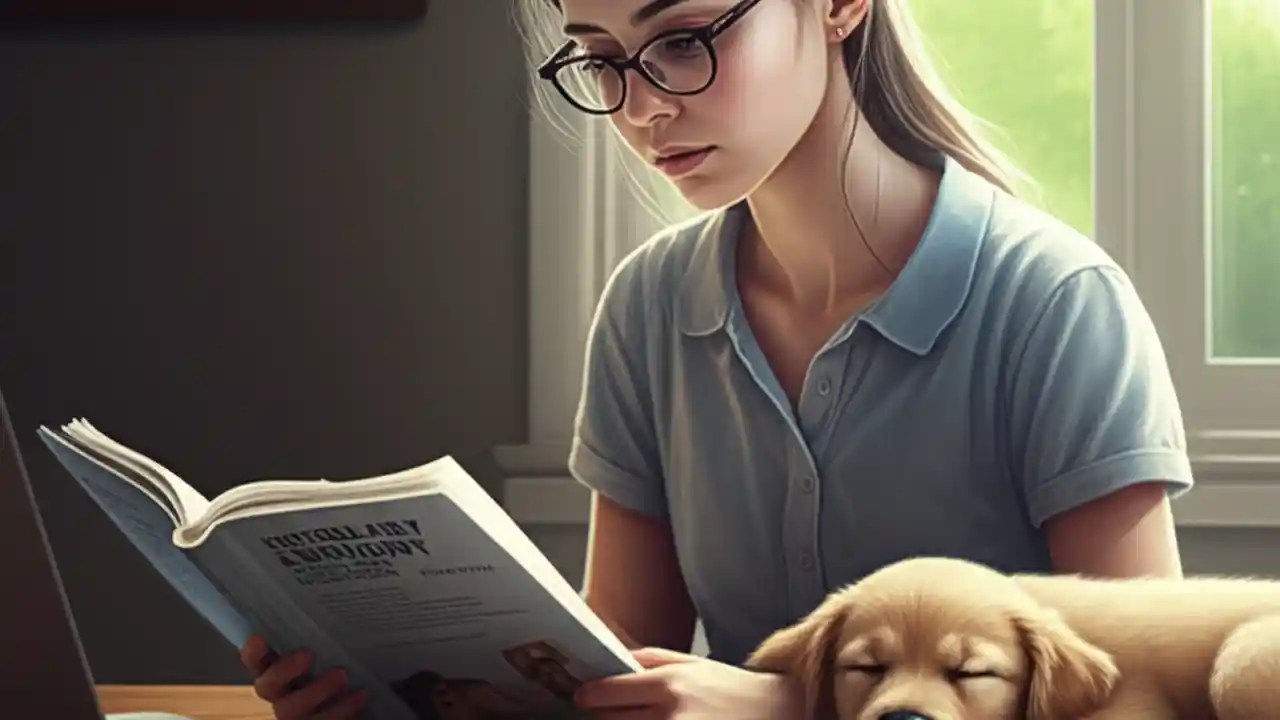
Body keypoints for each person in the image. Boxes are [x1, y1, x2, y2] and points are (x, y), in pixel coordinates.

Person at [238, 0, 1195, 717]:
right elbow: (620, 666)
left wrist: (784, 707)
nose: (642, 107)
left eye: (686, 41)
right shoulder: (650, 306)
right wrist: (397, 696)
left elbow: (1149, 693)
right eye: (603, 61)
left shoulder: (1056, 304)